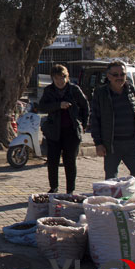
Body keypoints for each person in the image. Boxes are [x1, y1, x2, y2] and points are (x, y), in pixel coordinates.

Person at [89, 60, 135, 188]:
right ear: (108, 76)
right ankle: (114, 205)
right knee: (111, 181)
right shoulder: (101, 93)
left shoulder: (130, 89)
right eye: (115, 75)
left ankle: (129, 200)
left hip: (132, 142)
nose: (119, 77)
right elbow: (95, 120)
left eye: (122, 74)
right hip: (111, 144)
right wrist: (98, 143)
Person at [38, 64, 89, 194]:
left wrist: (83, 124)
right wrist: (58, 105)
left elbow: (85, 107)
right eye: (57, 79)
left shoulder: (74, 90)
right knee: (53, 161)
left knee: (70, 161)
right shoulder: (49, 91)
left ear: (67, 77)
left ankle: (70, 190)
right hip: (54, 132)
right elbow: (42, 107)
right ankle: (53, 187)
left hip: (71, 131)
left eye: (63, 78)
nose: (60, 81)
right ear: (52, 79)